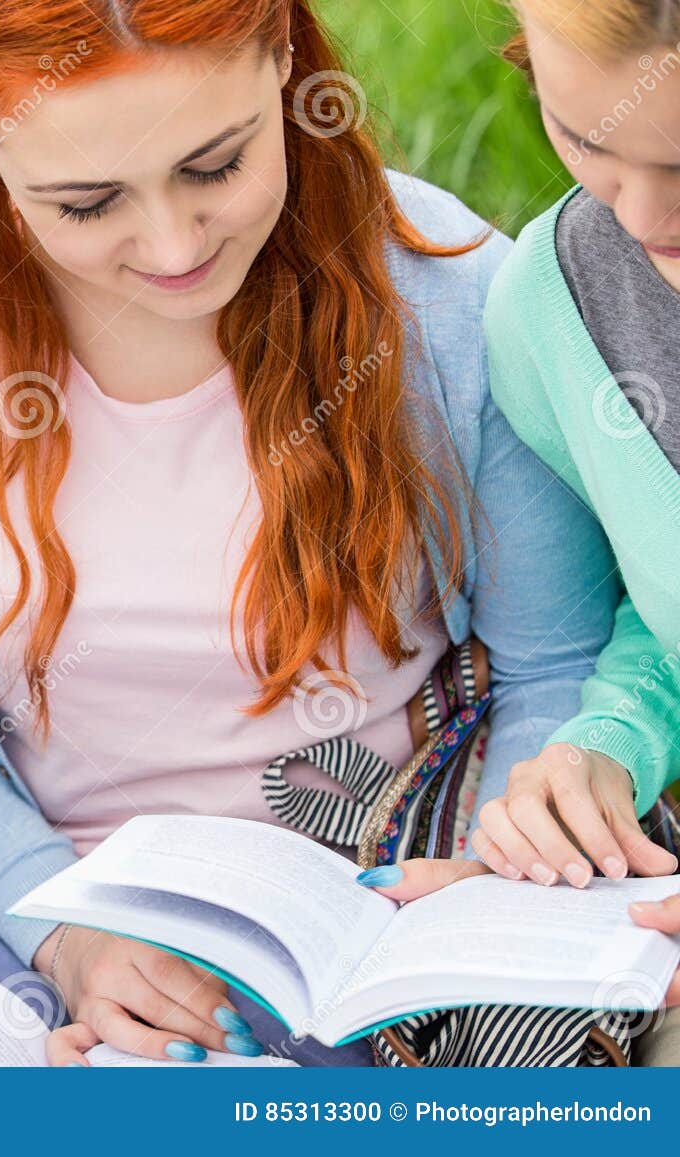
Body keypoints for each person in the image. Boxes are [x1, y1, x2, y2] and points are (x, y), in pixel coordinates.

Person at [0, 0, 620, 1066]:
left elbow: (552, 662)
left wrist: (466, 897)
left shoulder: (451, 293)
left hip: (356, 925)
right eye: (87, 201)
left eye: (215, 165)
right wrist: (56, 929)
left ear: (282, 54)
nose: (173, 246)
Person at [368, 0, 680, 1061]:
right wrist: (606, 742)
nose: (640, 218)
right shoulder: (554, 303)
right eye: (585, 140)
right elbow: (659, 609)